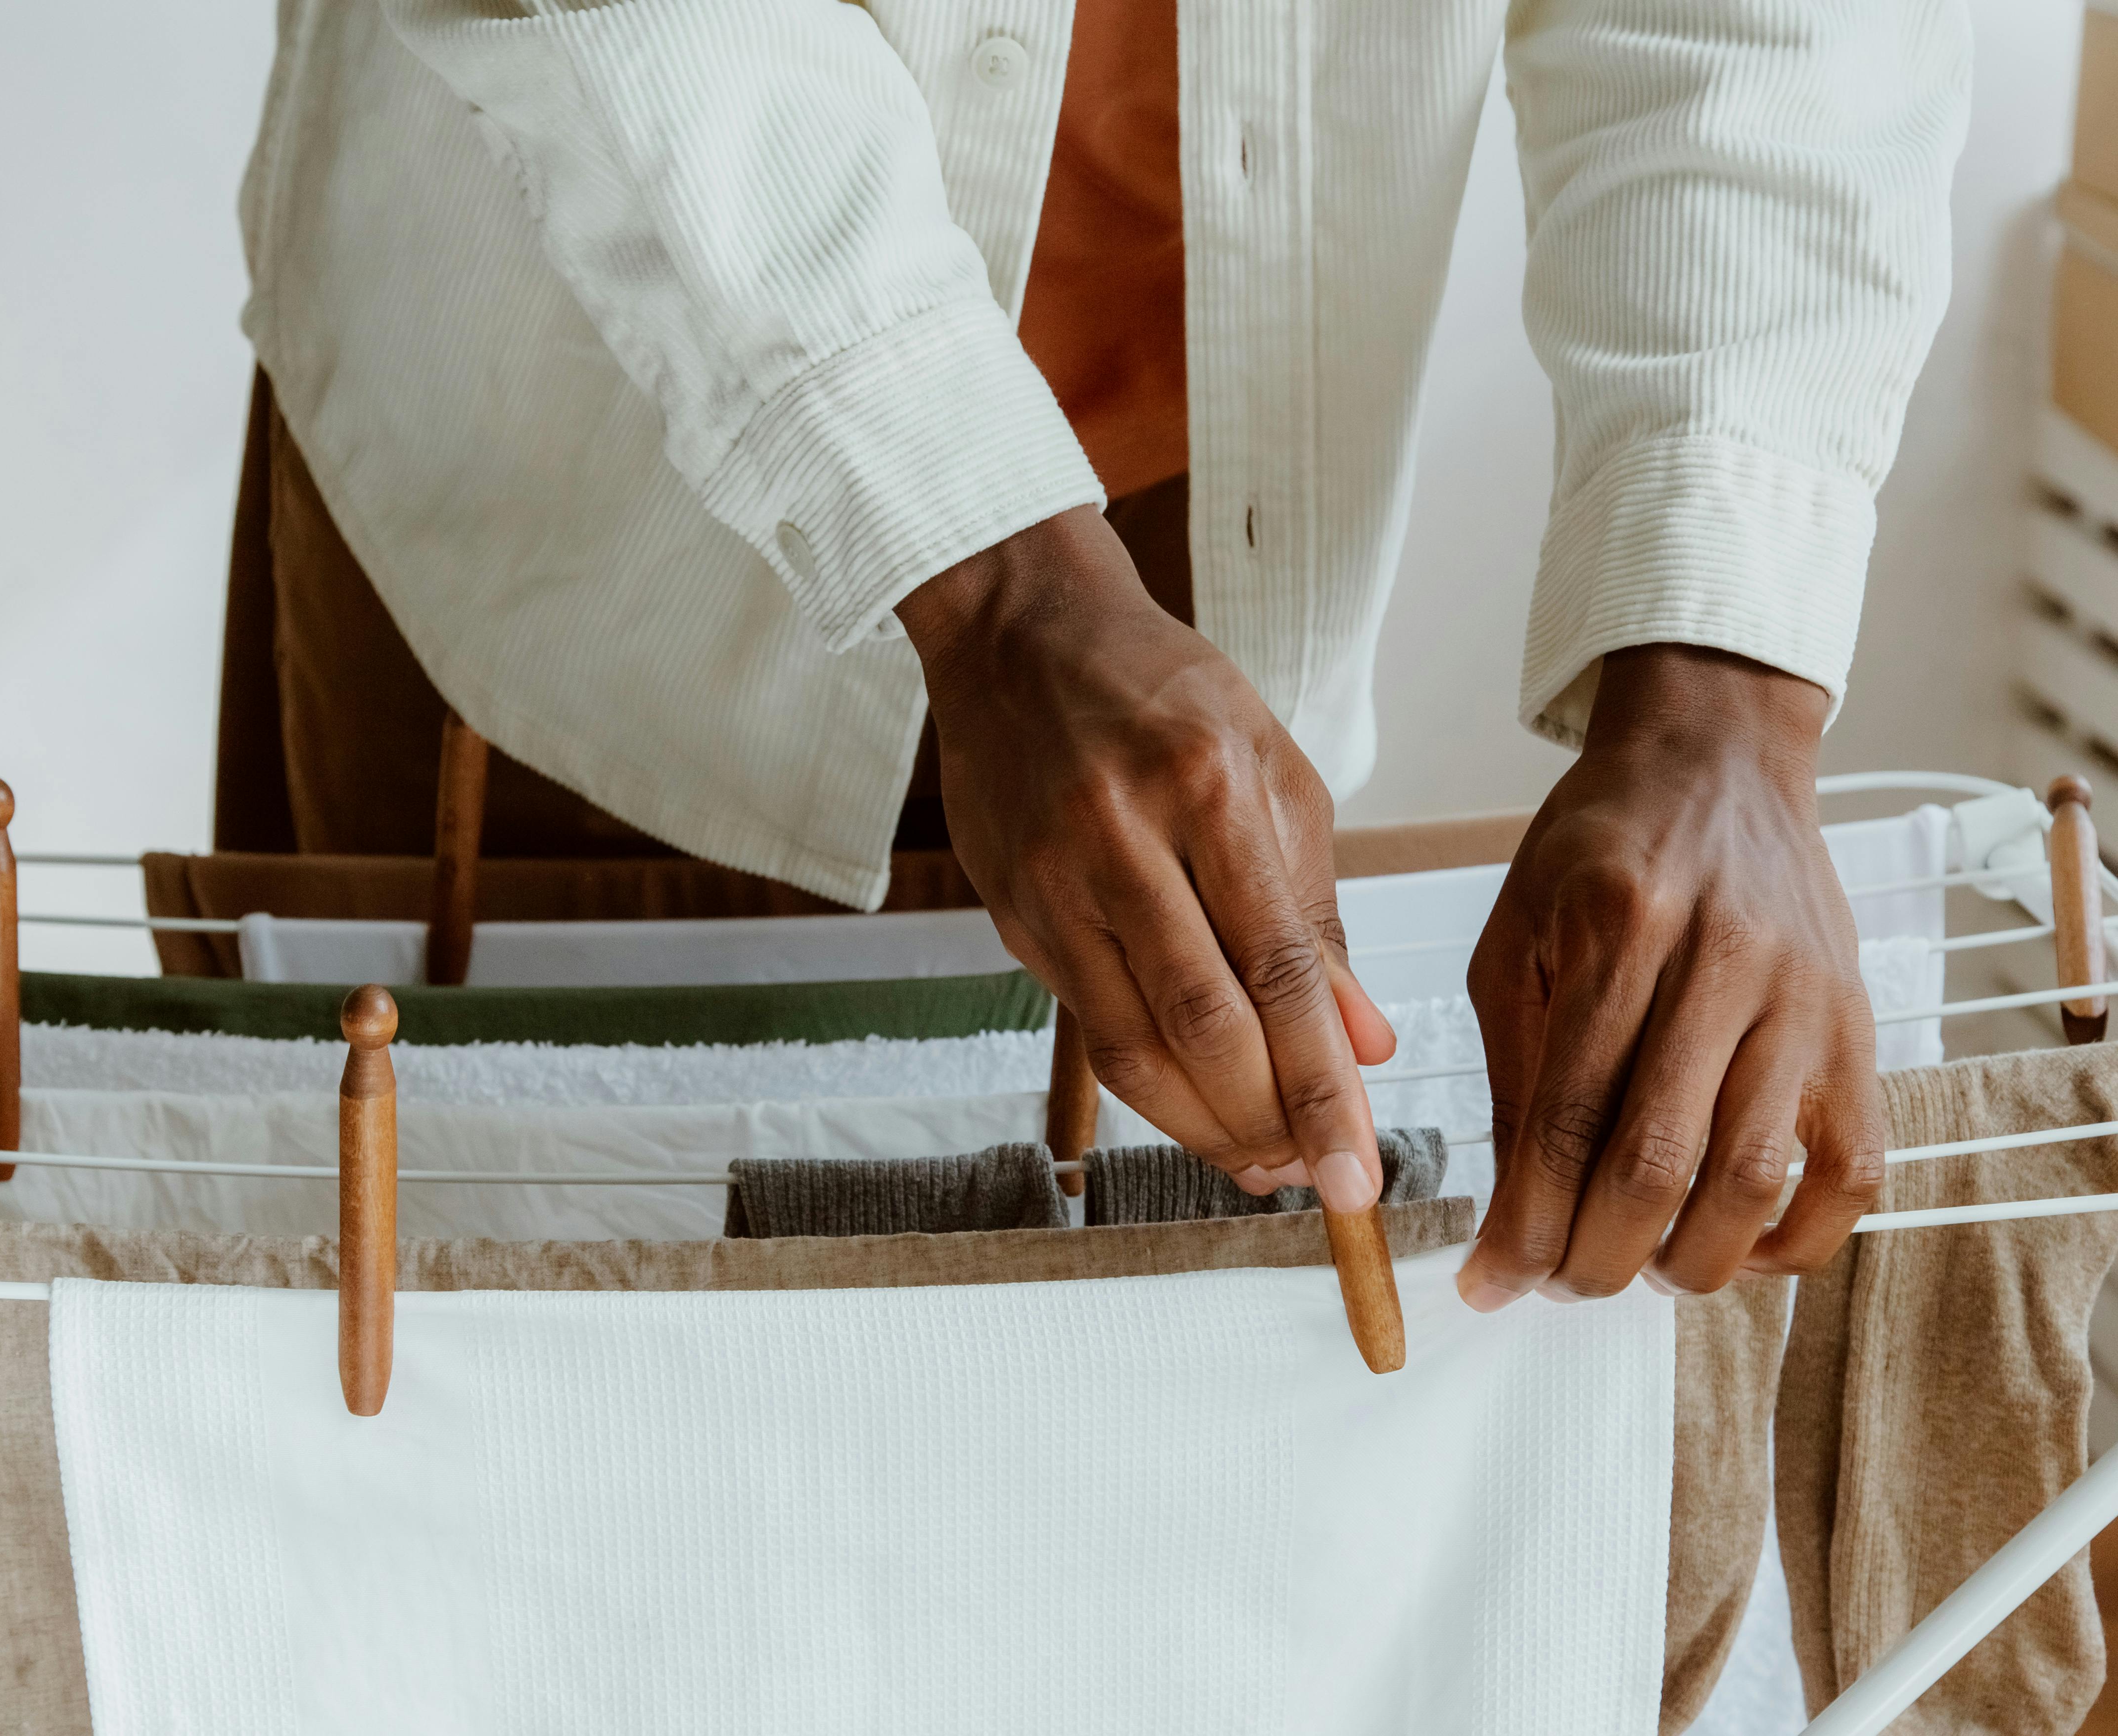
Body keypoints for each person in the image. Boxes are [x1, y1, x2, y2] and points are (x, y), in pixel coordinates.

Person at [220, 0, 1970, 1309]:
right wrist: (987, 580)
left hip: (1221, 480)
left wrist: (1723, 668)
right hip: (582, 500)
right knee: (470, 1349)